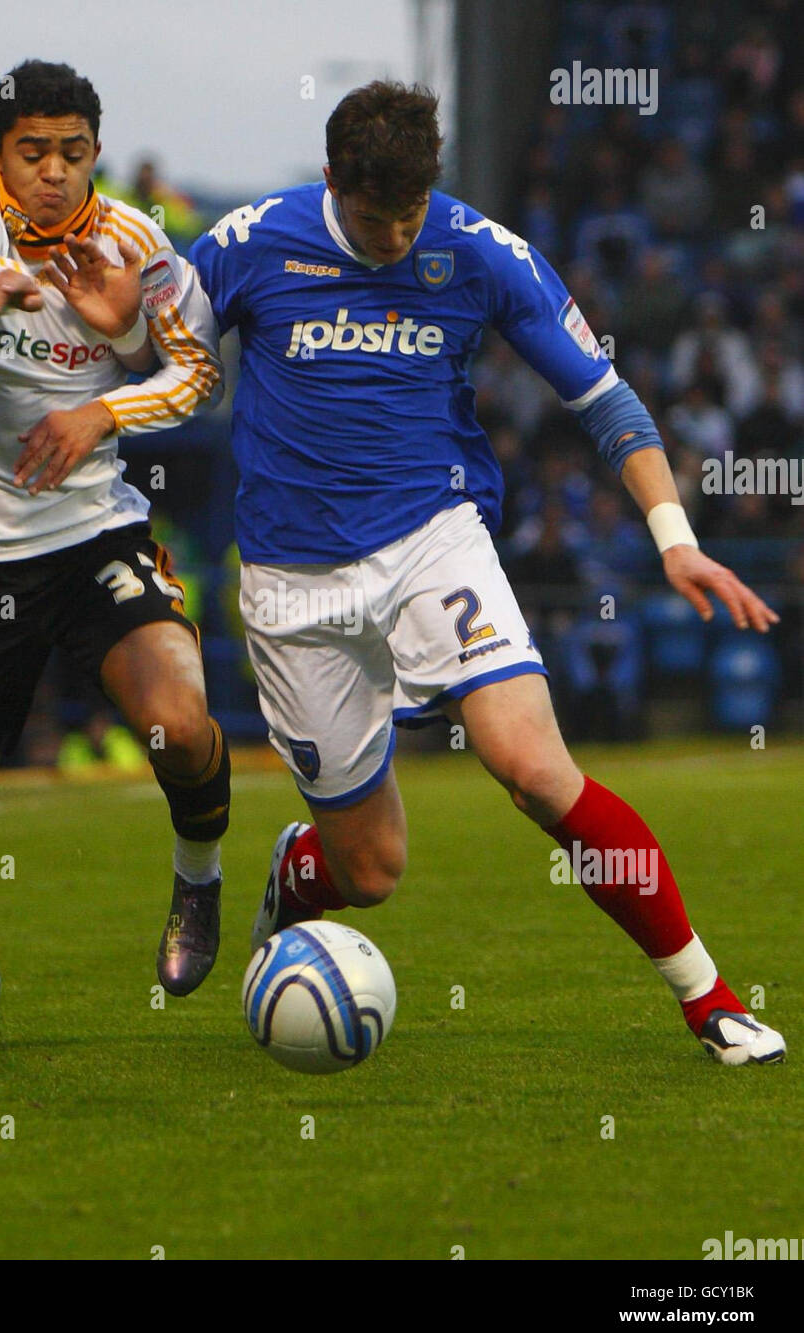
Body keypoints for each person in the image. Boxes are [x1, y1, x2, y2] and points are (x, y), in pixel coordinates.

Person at [188, 81, 785, 1066]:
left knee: (536, 770)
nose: (396, 238)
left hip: (435, 539)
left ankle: (709, 997)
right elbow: (152, 348)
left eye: (412, 213)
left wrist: (673, 536)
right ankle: (302, 868)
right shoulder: (252, 240)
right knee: (372, 870)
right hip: (293, 582)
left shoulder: (478, 250)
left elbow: (609, 401)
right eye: (377, 219)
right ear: (333, 180)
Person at [0, 59, 228, 1048]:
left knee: (178, 721)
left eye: (73, 152)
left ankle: (197, 882)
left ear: (95, 151)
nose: (55, 172)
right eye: (32, 152)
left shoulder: (133, 240)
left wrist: (113, 380)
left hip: (93, 534)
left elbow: (198, 371)